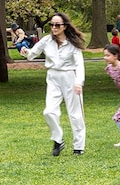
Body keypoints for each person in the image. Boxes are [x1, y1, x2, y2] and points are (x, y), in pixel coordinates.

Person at [20, 12, 86, 156]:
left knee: (75, 114)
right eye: (52, 24)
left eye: (57, 25)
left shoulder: (72, 43)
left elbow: (79, 64)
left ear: (64, 26)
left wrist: (78, 82)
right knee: (49, 111)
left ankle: (78, 147)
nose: (54, 27)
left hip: (70, 76)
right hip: (53, 76)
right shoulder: (46, 41)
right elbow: (32, 54)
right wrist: (25, 52)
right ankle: (58, 139)